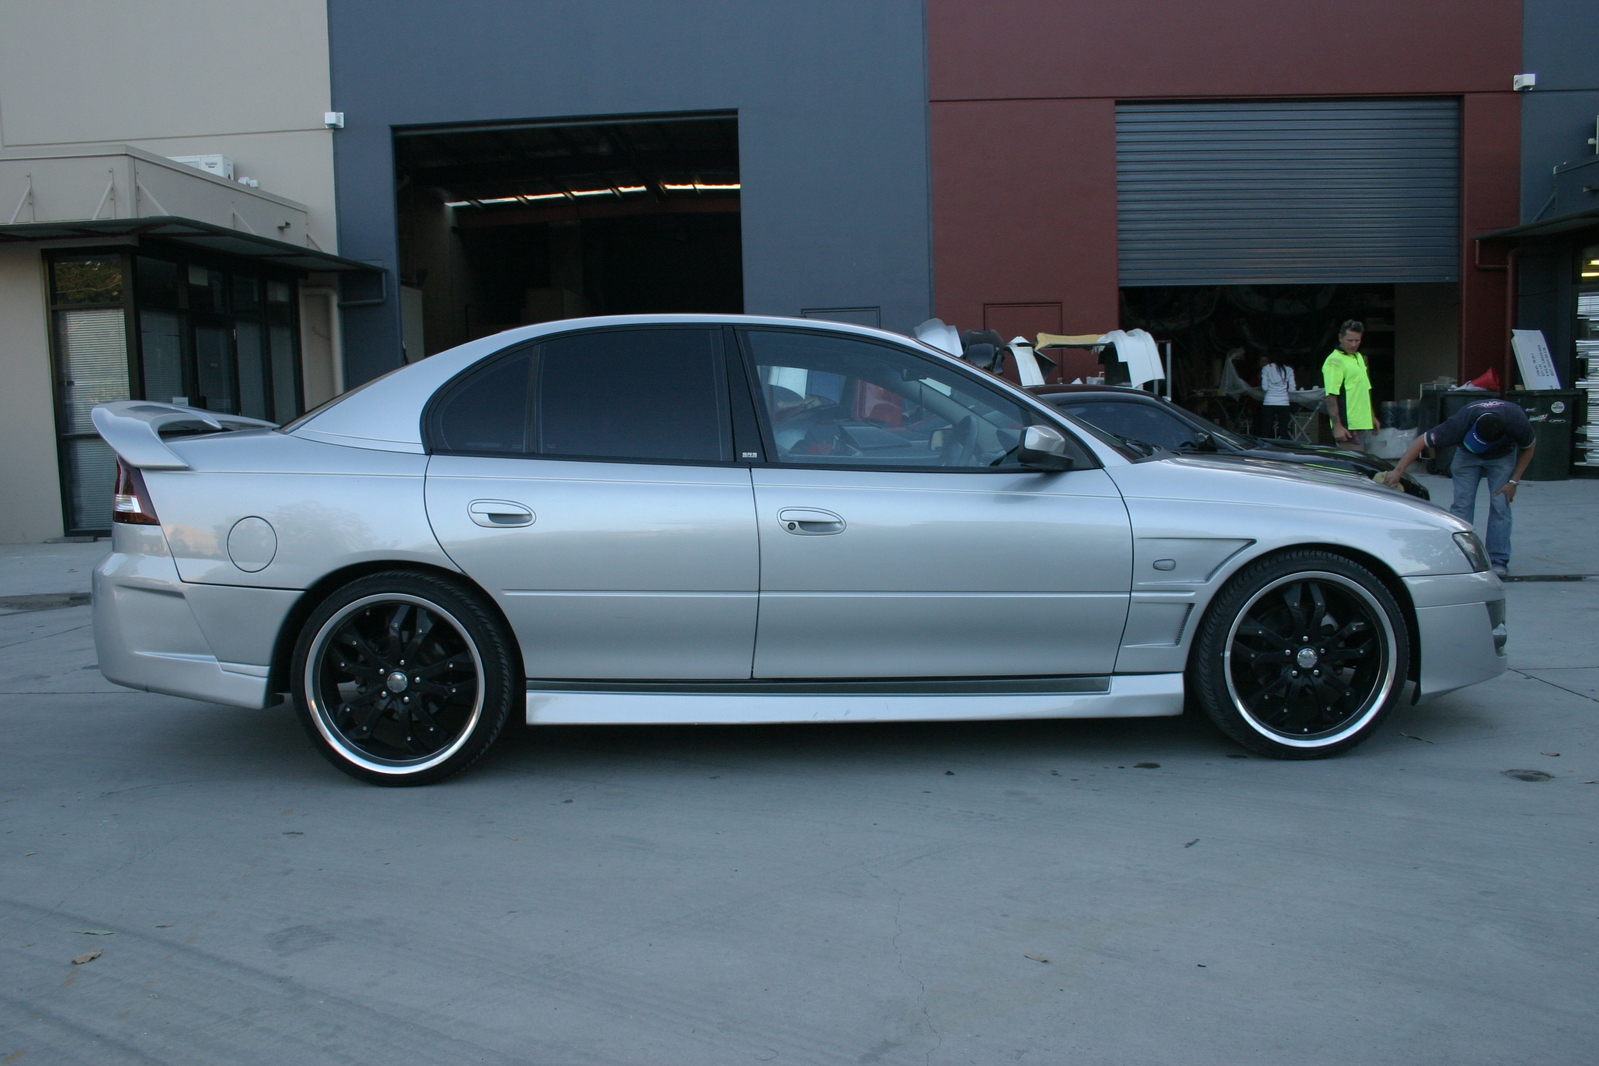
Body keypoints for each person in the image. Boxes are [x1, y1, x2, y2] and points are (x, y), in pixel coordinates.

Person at [1385, 398, 1536, 576]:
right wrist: (1398, 471)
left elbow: (1529, 447)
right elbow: (1421, 441)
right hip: (1467, 456)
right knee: (1462, 505)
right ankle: (1461, 557)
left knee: (1500, 505)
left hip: (1502, 457)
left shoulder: (1517, 423)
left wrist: (1513, 482)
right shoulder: (1460, 423)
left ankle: (1498, 561)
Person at [1322, 320, 1381, 451]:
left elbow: (1365, 389)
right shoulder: (1335, 361)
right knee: (1354, 461)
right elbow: (1331, 396)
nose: (1353, 344)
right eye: (1350, 340)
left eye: (1357, 340)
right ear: (1340, 337)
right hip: (1348, 424)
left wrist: (1371, 416)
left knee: (1363, 459)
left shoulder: (1359, 357)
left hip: (1362, 423)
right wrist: (1337, 426)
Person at [1256, 352, 1297, 439]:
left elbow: (1264, 388)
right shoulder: (1289, 370)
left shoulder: (1266, 368)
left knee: (1266, 429)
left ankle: (1265, 446)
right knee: (1284, 430)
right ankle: (1284, 446)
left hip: (1269, 402)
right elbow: (1292, 389)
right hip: (1284, 403)